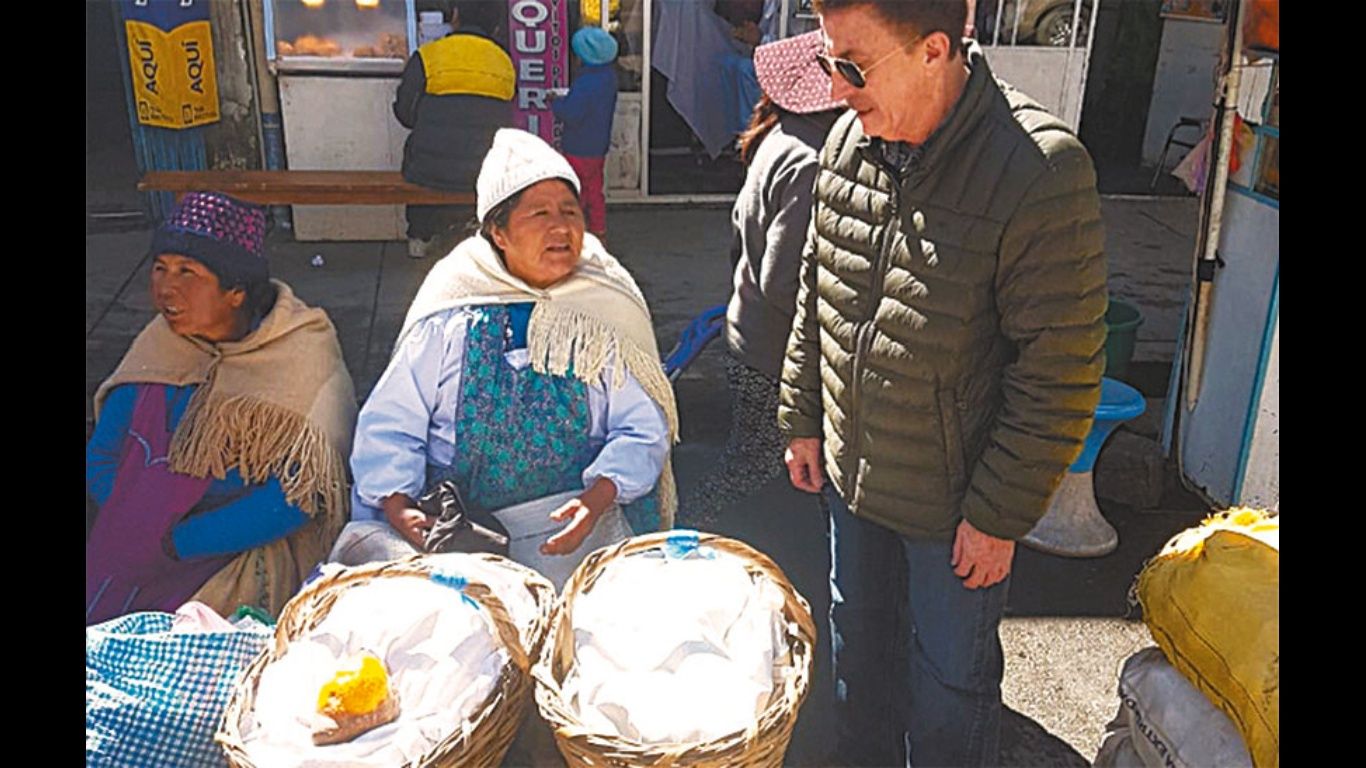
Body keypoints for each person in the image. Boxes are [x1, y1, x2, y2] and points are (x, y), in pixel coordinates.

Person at [778, 1, 1108, 765]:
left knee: (949, 690)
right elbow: (819, 286)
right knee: (857, 649)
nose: (836, 89)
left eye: (851, 66)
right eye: (827, 61)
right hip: (853, 479)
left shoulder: (1039, 170)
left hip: (956, 507)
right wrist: (802, 413)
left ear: (934, 50)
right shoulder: (849, 138)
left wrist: (998, 514)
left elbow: (1060, 370)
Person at [342, 128, 678, 587]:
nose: (561, 227)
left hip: (576, 532)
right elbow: (393, 423)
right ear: (498, 233)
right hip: (461, 532)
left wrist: (597, 498)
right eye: (539, 214)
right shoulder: (451, 310)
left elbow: (641, 428)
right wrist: (400, 506)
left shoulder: (604, 307)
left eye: (570, 211)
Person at [86, 192, 358, 624]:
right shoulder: (160, 348)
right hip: (136, 542)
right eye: (160, 268)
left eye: (187, 272)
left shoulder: (304, 353)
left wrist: (179, 541)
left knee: (191, 634)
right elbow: (102, 453)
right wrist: (135, 518)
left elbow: (298, 496)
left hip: (239, 551)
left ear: (235, 291)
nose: (165, 287)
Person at [678, 30, 843, 528]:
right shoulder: (813, 160)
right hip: (773, 353)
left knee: (750, 464)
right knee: (752, 470)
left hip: (748, 335)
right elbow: (782, 282)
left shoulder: (779, 135)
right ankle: (690, 530)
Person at [394, 0, 515, 258]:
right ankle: (479, 230)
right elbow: (506, 119)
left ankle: (420, 236)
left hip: (428, 171)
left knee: (417, 153)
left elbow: (405, 114)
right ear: (494, 26)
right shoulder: (504, 62)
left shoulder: (428, 56)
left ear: (456, 16)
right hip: (482, 172)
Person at [551, 26, 619, 241]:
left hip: (578, 145)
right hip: (598, 146)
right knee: (594, 190)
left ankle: (576, 232)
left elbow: (572, 113)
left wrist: (555, 103)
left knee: (575, 191)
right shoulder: (609, 77)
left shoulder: (585, 82)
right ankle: (599, 230)